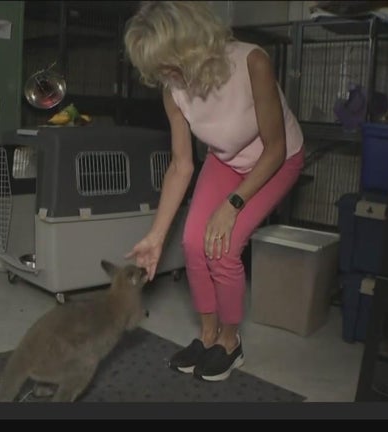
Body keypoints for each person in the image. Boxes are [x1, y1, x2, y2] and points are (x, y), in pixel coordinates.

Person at [123, 1, 305, 382]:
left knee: (222, 246)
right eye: (157, 69)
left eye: (169, 63)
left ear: (190, 44)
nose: (166, 75)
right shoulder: (172, 90)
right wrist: (156, 237)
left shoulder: (252, 63)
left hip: (276, 158)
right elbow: (181, 165)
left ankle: (230, 341)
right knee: (192, 242)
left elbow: (275, 149)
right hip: (225, 159)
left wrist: (233, 204)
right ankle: (207, 337)